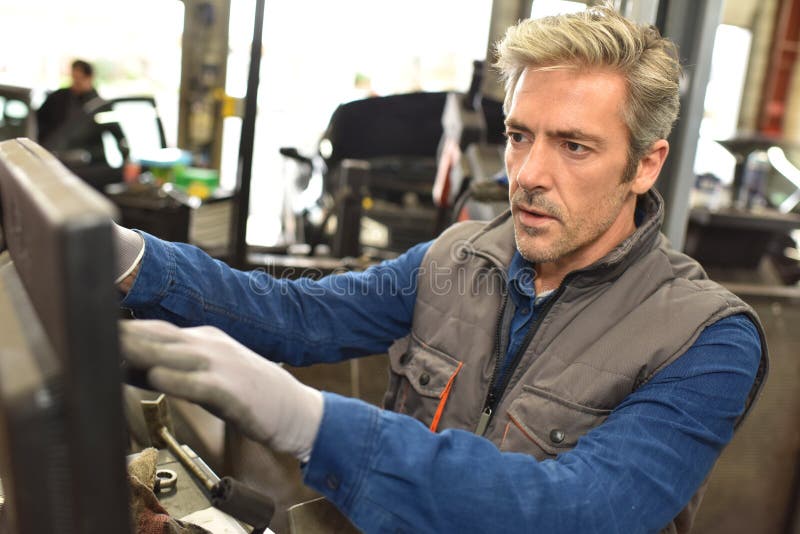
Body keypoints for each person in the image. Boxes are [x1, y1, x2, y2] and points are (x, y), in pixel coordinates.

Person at [115, 6, 768, 533]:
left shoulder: (706, 340)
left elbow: (577, 510)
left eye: (574, 146)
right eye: (519, 136)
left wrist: (314, 426)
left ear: (647, 164)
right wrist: (129, 261)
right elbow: (301, 316)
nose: (530, 175)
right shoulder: (460, 257)